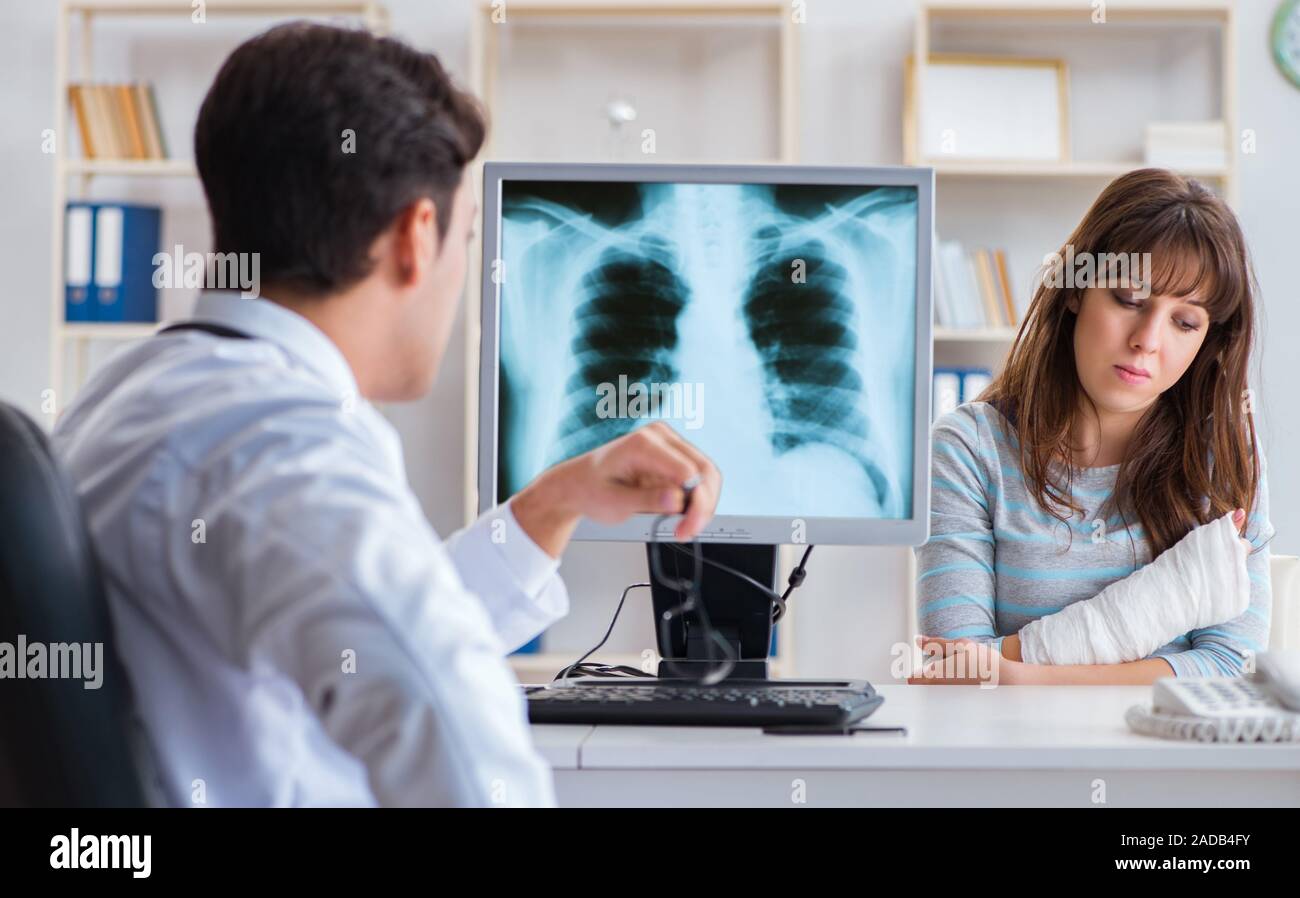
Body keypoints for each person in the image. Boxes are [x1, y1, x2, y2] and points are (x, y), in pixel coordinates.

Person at [51, 23, 720, 807]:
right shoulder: (283, 446)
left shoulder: (131, 391)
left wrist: (553, 503)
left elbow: (370, 630)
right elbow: (466, 759)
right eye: (469, 238)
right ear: (417, 234)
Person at [913, 168, 1273, 685]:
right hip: (1011, 759)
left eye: (1185, 321)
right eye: (1129, 300)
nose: (1148, 339)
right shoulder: (967, 453)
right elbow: (956, 673)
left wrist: (1022, 675)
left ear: (1208, 340)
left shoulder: (1226, 454)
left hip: (1172, 761)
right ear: (1076, 289)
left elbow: (1232, 667)